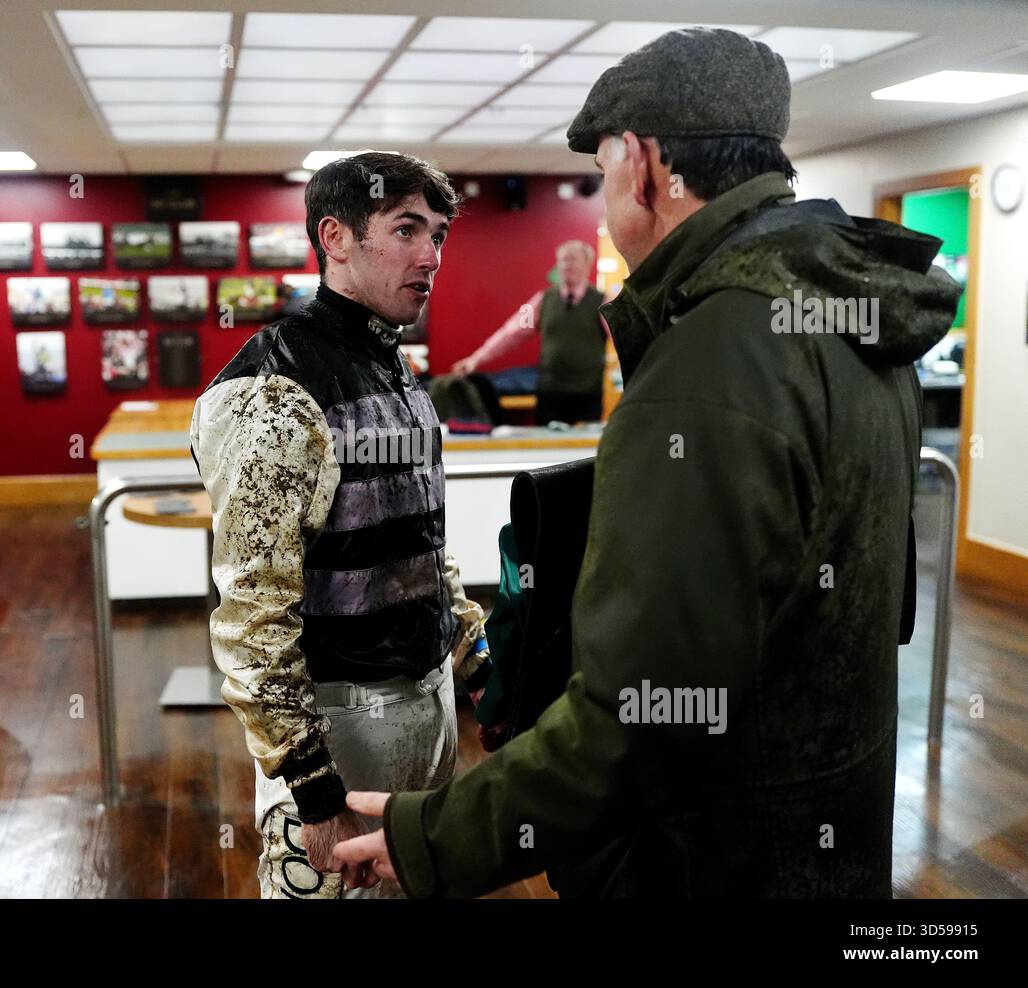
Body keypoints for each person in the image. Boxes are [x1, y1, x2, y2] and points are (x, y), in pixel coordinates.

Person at [334, 27, 960, 897]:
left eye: (599, 176)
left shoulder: (710, 366)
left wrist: (430, 838)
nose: (603, 206)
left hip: (715, 859)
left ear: (644, 164)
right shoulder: (855, 316)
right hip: (831, 836)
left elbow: (641, 717)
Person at [189, 152, 493, 899]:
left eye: (440, 234)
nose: (432, 256)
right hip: (342, 731)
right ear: (337, 237)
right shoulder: (277, 385)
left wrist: (478, 659)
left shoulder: (392, 365)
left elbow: (421, 548)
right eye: (407, 229)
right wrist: (314, 792)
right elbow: (254, 614)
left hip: (428, 709)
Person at [451, 240, 606, 424]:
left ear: (587, 263)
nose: (566, 265)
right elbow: (510, 333)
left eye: (572, 259)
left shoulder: (603, 301)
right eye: (562, 260)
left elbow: (624, 340)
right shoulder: (542, 299)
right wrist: (475, 360)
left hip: (588, 395)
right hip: (550, 394)